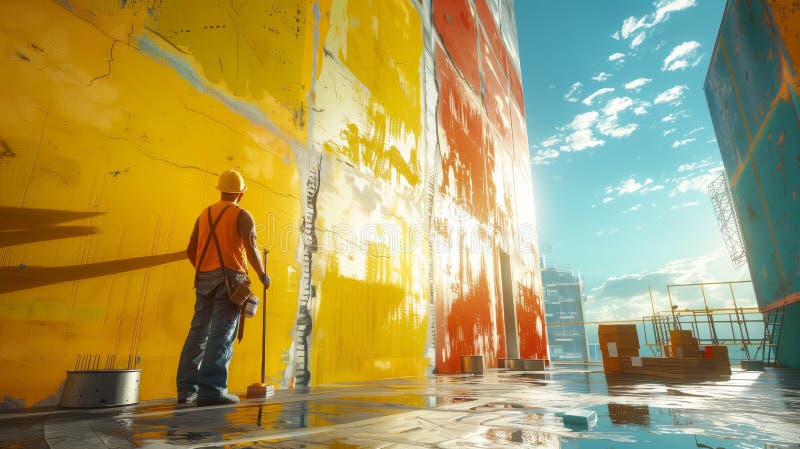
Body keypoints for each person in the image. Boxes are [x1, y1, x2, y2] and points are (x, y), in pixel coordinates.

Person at [176, 169, 270, 406]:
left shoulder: (205, 213)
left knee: (198, 333)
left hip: (203, 277)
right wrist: (262, 274)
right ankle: (213, 390)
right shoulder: (241, 214)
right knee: (222, 333)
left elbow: (190, 249)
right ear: (241, 194)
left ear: (221, 191)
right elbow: (250, 248)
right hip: (231, 280)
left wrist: (206, 267)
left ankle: (186, 391)